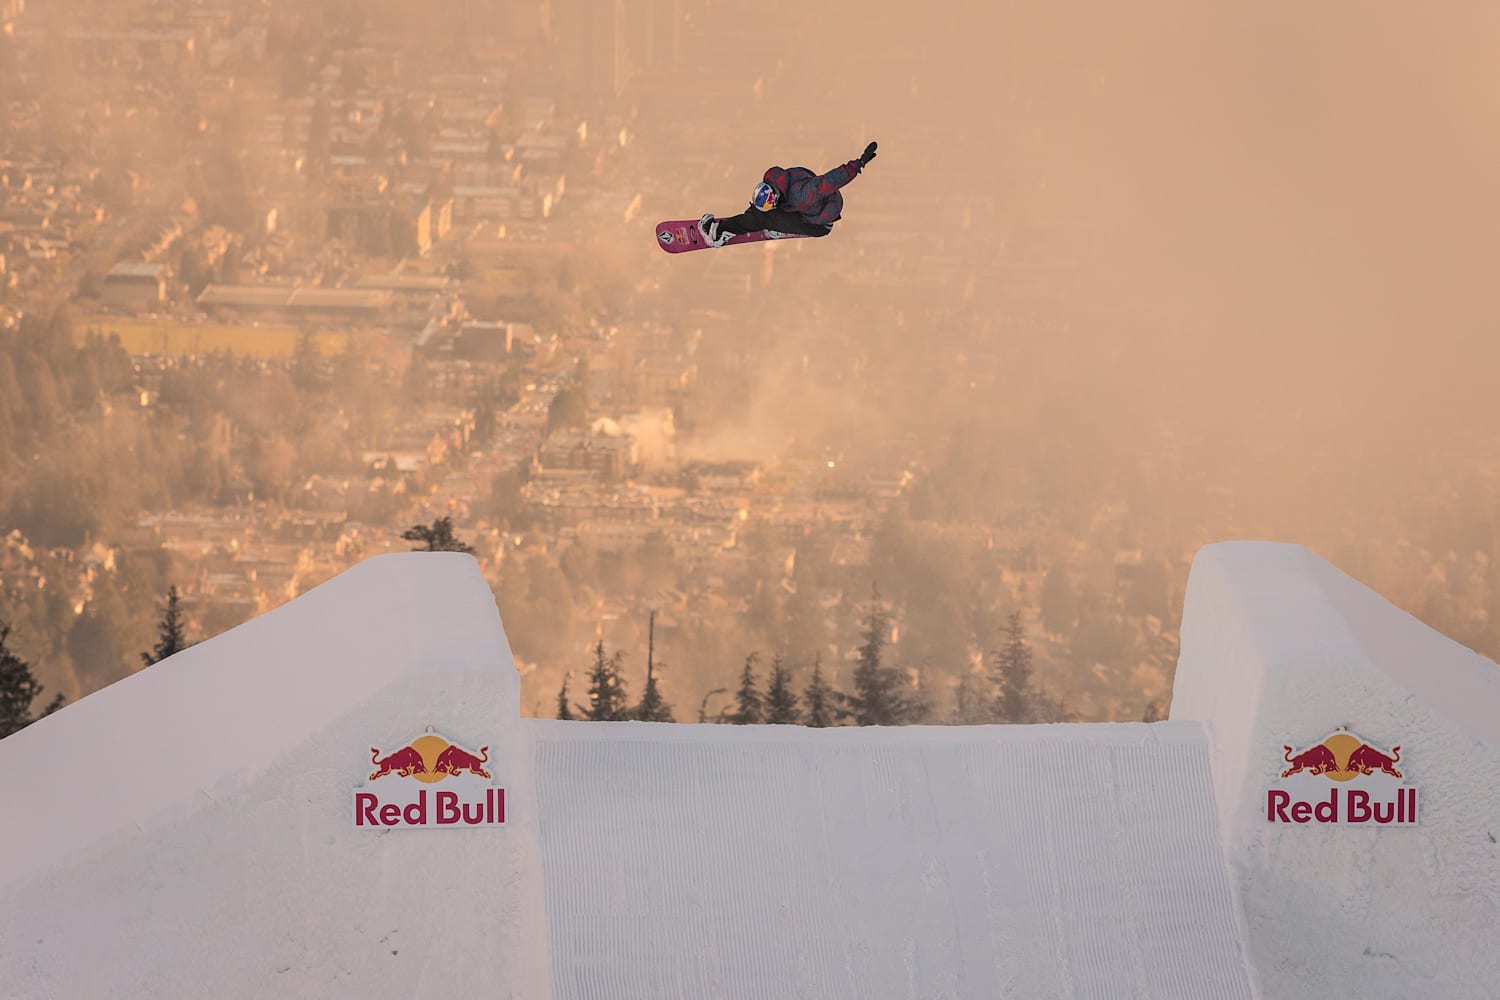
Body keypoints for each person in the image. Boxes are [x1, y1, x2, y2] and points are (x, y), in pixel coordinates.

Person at [700, 141, 878, 247]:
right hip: (808, 209)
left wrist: (858, 164)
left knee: (761, 218)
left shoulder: (802, 194)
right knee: (759, 214)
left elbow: (830, 181)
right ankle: (764, 221)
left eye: (770, 203)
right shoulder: (778, 178)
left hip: (819, 224)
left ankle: (719, 233)